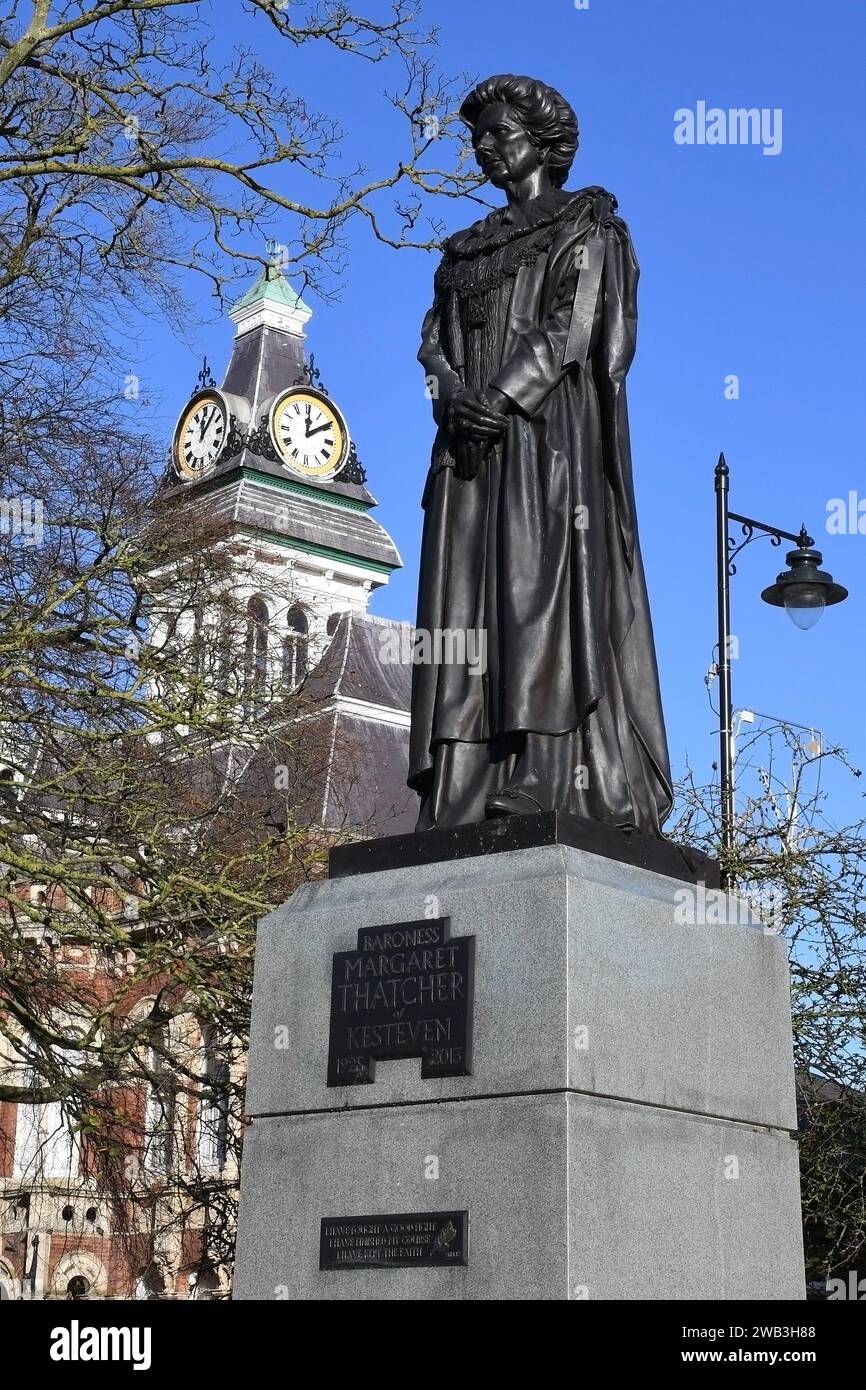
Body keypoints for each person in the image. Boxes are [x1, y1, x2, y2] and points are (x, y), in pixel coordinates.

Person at [408, 74, 672, 835]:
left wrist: (499, 397)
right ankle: (457, 788)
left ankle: (543, 776)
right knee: (461, 616)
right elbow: (432, 344)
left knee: (536, 604)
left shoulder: (587, 226)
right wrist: (452, 395)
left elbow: (574, 326)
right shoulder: (462, 250)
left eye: (501, 133)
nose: (486, 147)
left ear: (544, 142)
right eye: (479, 137)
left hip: (539, 443)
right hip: (465, 454)